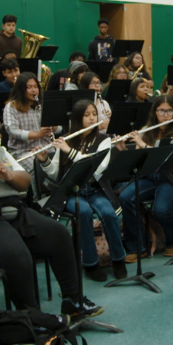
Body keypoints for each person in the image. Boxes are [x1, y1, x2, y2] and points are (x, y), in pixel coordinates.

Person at [0, 107, 101, 317]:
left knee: (58, 234)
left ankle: (73, 302)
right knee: (17, 254)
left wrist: (8, 176)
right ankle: (32, 317)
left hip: (12, 214)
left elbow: (25, 182)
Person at [42, 100, 129, 282]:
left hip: (96, 189)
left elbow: (96, 167)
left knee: (108, 213)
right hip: (73, 191)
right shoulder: (67, 139)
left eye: (94, 114)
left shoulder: (104, 140)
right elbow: (55, 172)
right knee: (84, 213)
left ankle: (118, 260)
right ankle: (90, 264)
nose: (91, 118)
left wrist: (70, 151)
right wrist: (44, 161)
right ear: (77, 118)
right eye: (86, 115)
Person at [117, 96, 173, 259]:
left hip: (172, 179)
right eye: (161, 110)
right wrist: (124, 149)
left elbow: (167, 159)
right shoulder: (148, 129)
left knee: (161, 210)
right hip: (150, 176)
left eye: (169, 110)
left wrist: (142, 144)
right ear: (155, 112)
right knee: (125, 197)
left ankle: (172, 241)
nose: (166, 114)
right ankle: (138, 246)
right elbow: (139, 161)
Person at [3, 72, 54, 173]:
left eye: (36, 86)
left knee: (63, 163)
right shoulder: (12, 107)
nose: (34, 90)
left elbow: (58, 129)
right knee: (37, 169)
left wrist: (54, 127)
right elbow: (12, 130)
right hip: (24, 152)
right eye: (29, 87)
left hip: (47, 148)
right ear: (21, 90)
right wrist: (37, 134)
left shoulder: (43, 106)